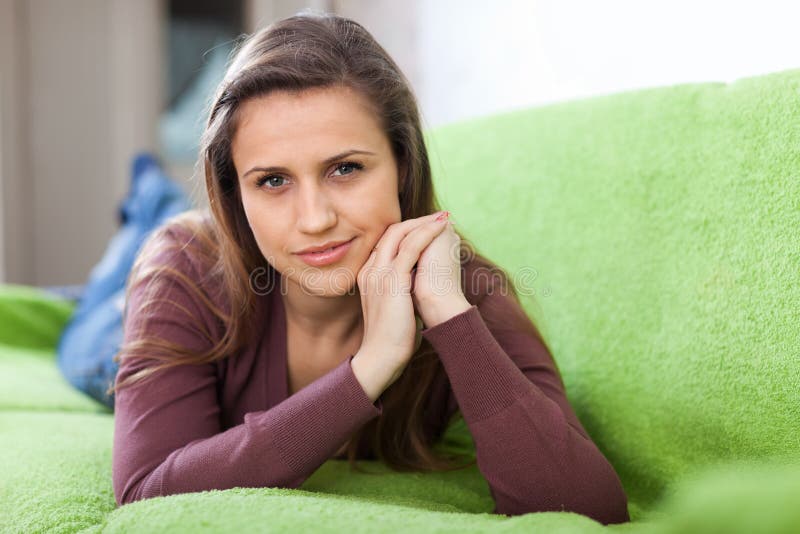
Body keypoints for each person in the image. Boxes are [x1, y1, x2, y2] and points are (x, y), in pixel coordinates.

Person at [108, 11, 630, 525]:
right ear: (234, 193)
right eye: (272, 180)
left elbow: (588, 505)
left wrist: (451, 318)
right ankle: (146, 201)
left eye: (345, 168)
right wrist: (371, 366)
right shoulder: (182, 272)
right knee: (101, 325)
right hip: (124, 319)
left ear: (403, 165)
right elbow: (147, 489)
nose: (315, 220)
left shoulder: (458, 287)